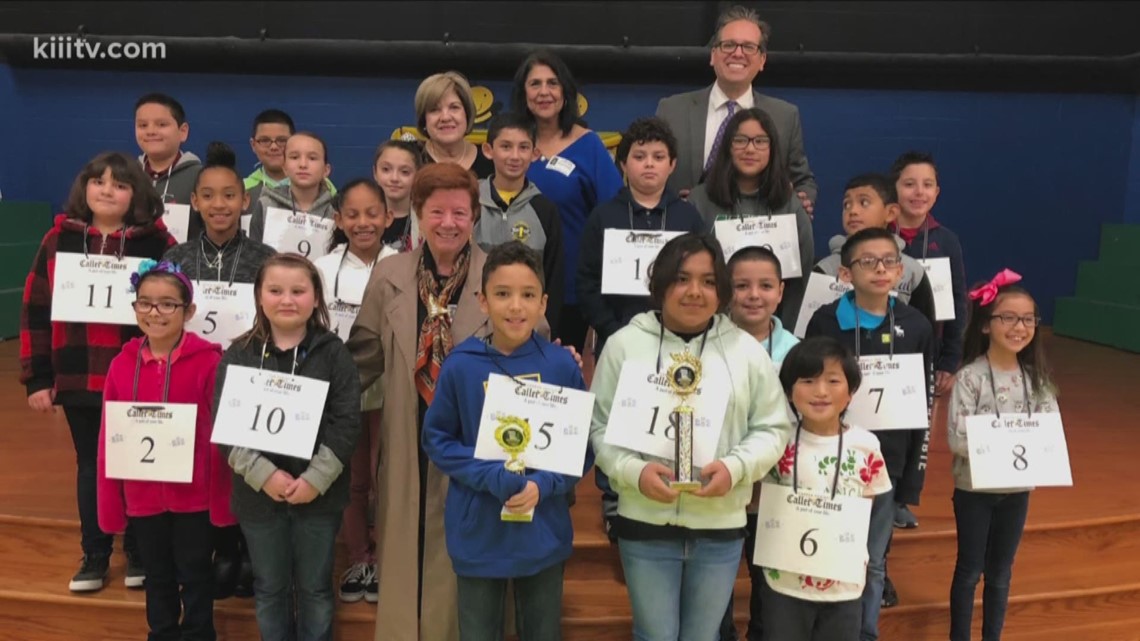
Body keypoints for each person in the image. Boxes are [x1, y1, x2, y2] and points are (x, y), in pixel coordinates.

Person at [348, 163, 548, 641]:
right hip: (406, 434)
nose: (448, 223)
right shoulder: (389, 273)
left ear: (474, 217)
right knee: (406, 543)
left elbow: (533, 347)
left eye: (460, 212)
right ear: (417, 215)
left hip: (478, 443)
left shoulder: (500, 273)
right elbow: (362, 356)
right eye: (436, 211)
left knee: (466, 553)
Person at [589, 233, 793, 641]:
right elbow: (600, 428)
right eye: (682, 278)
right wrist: (633, 471)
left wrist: (736, 468)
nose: (695, 292)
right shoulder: (624, 345)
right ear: (660, 283)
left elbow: (774, 428)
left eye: (708, 281)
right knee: (654, 635)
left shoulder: (747, 353)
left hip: (719, 524)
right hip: (643, 520)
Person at [20, 151, 176, 592]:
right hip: (77, 375)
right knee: (92, 465)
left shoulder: (157, 245)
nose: (107, 190)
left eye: (120, 185)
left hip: (140, 376)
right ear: (83, 188)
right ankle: (95, 552)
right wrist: (38, 378)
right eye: (98, 181)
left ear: (137, 195)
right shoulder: (57, 240)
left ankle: (140, 551)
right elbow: (35, 308)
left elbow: (174, 309)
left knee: (141, 466)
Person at [422, 241, 588, 641]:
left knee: (542, 630)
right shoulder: (461, 364)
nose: (516, 306)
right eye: (502, 294)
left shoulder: (561, 365)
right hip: (478, 530)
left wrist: (542, 484)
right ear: (482, 301)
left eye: (528, 295)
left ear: (544, 303)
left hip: (542, 530)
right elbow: (438, 438)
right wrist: (489, 475)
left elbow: (581, 446)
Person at [214, 254, 362, 641]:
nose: (287, 299)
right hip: (258, 498)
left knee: (315, 588)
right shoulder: (239, 354)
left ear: (316, 298)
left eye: (298, 291)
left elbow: (346, 422)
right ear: (259, 296)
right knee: (270, 588)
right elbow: (226, 427)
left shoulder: (334, 354)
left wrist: (315, 479)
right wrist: (264, 475)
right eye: (275, 290)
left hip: (319, 497)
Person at [576, 116, 707, 538]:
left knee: (677, 409)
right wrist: (611, 329)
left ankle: (680, 480)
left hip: (679, 341)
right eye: (639, 157)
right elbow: (586, 281)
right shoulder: (604, 215)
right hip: (620, 337)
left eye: (658, 157)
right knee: (618, 415)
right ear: (623, 164)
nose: (648, 165)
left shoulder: (688, 215)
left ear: (672, 165)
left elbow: (705, 277)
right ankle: (614, 499)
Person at [803, 227, 934, 641]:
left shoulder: (916, 325)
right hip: (831, 459)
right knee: (827, 555)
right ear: (846, 272)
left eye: (889, 261)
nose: (880, 269)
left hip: (888, 465)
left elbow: (923, 405)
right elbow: (809, 389)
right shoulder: (825, 320)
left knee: (873, 562)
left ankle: (865, 634)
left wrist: (913, 477)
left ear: (900, 270)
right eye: (867, 261)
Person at [162, 141, 276, 600]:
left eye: (229, 195)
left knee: (249, 462)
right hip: (193, 377)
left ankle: (250, 550)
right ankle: (222, 548)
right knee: (207, 466)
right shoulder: (178, 258)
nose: (218, 204)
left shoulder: (265, 257)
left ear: (244, 201)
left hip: (251, 377)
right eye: (208, 195)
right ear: (194, 201)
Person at [97, 259, 234, 640]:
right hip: (143, 499)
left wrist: (221, 502)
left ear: (188, 310)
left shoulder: (209, 362)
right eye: (145, 303)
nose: (155, 313)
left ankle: (198, 633)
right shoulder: (121, 366)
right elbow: (109, 439)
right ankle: (161, 633)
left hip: (194, 499)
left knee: (195, 573)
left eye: (167, 304)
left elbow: (219, 437)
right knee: (156, 575)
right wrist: (110, 505)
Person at [755, 337, 891, 641]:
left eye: (833, 381)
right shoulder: (776, 441)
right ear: (789, 390)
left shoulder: (866, 445)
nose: (820, 391)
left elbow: (867, 509)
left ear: (851, 392)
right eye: (807, 380)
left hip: (843, 584)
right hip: (784, 581)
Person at [947, 269, 1056, 641]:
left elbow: (1048, 436)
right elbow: (957, 438)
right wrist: (1006, 439)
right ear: (985, 325)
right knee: (968, 571)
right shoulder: (970, 377)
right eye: (1008, 317)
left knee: (1001, 573)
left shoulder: (1037, 379)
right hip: (974, 491)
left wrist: (1000, 441)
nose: (1019, 327)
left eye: (1028, 319)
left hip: (1017, 491)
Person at [313, 179, 398, 603]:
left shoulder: (403, 263)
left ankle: (387, 559)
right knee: (351, 476)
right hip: (338, 389)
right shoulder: (324, 269)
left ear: (389, 216)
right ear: (338, 220)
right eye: (353, 214)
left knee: (388, 474)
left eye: (372, 213)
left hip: (392, 385)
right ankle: (358, 557)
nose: (363, 222)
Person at [512, 49, 623, 352]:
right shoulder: (512, 144)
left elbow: (612, 213)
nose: (544, 92)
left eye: (553, 83)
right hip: (514, 286)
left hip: (572, 289)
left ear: (565, 92)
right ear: (524, 92)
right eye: (535, 84)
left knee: (562, 379)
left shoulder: (589, 145)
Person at [656, 5, 816, 214]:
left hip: (756, 236)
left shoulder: (784, 116)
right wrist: (674, 203)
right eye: (729, 45)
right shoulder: (671, 110)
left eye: (749, 47)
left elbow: (803, 182)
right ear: (713, 55)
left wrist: (801, 201)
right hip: (684, 231)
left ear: (762, 60)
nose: (738, 53)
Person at [718, 244, 800, 641]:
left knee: (766, 577)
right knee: (719, 574)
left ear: (781, 291)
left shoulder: (796, 351)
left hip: (774, 487)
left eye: (765, 285)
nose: (754, 295)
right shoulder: (708, 343)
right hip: (722, 484)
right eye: (742, 286)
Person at [891, 152, 967, 531]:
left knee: (916, 431)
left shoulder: (946, 241)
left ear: (937, 192)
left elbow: (956, 302)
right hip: (880, 349)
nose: (918, 192)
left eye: (927, 184)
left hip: (924, 354)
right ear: (896, 189)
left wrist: (950, 360)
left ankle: (902, 499)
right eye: (909, 183)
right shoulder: (878, 235)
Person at [689, 107, 814, 330]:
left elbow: (799, 281)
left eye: (760, 141)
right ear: (728, 146)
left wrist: (783, 334)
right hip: (709, 330)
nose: (750, 149)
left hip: (774, 331)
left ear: (772, 149)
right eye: (740, 140)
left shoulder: (790, 203)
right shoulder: (699, 200)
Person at [473, 112, 564, 334]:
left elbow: (553, 276)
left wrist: (544, 327)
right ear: (488, 150)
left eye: (523, 148)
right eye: (505, 146)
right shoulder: (471, 201)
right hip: (474, 325)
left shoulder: (544, 209)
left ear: (535, 154)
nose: (515, 156)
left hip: (527, 328)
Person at [813, 173, 936, 324]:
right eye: (847, 204)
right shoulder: (825, 269)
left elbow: (925, 330)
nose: (853, 211)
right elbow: (811, 334)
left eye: (864, 203)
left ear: (891, 213)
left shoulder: (912, 271)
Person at [247, 132, 336, 250]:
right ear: (284, 167)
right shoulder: (265, 205)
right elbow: (254, 255)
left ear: (326, 170)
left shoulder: (336, 210)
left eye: (312, 158)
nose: (303, 164)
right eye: (294, 157)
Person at [135, 92, 203, 240]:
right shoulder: (126, 175)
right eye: (143, 125)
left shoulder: (201, 177)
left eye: (162, 124)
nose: (151, 131)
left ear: (182, 131)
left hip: (184, 261)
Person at [244, 108, 336, 204]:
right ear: (253, 145)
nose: (274, 147)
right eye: (264, 140)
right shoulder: (243, 188)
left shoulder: (324, 186)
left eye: (282, 140)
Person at [413, 71, 494, 179]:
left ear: (467, 113)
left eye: (454, 107)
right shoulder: (408, 158)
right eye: (434, 110)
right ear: (424, 119)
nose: (445, 117)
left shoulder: (491, 161)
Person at [374, 140, 425, 252]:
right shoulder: (361, 218)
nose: (394, 178)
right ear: (375, 173)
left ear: (417, 175)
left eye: (405, 172)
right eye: (386, 170)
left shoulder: (425, 222)